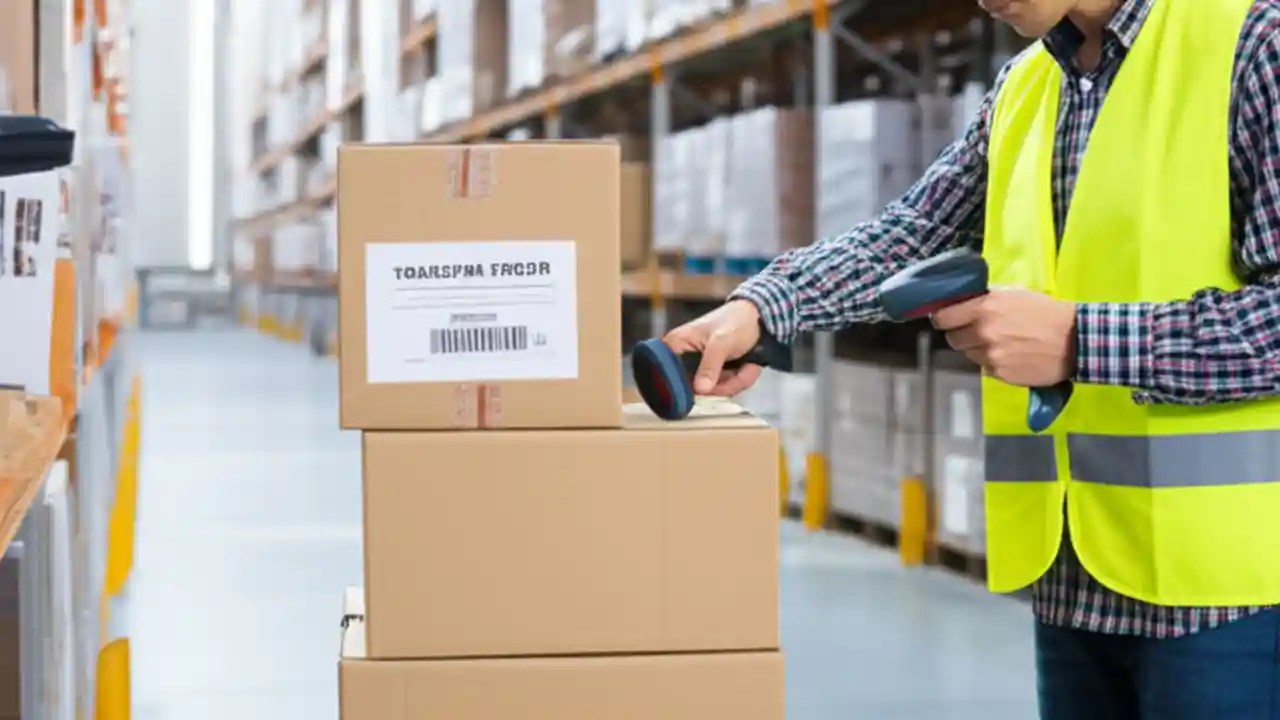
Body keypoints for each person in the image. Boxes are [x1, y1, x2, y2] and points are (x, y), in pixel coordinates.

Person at [663, 0, 1280, 717]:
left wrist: (1080, 341)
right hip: (1073, 575)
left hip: (1230, 596)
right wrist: (761, 308)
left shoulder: (1253, 46)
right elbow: (911, 235)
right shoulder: (1024, 87)